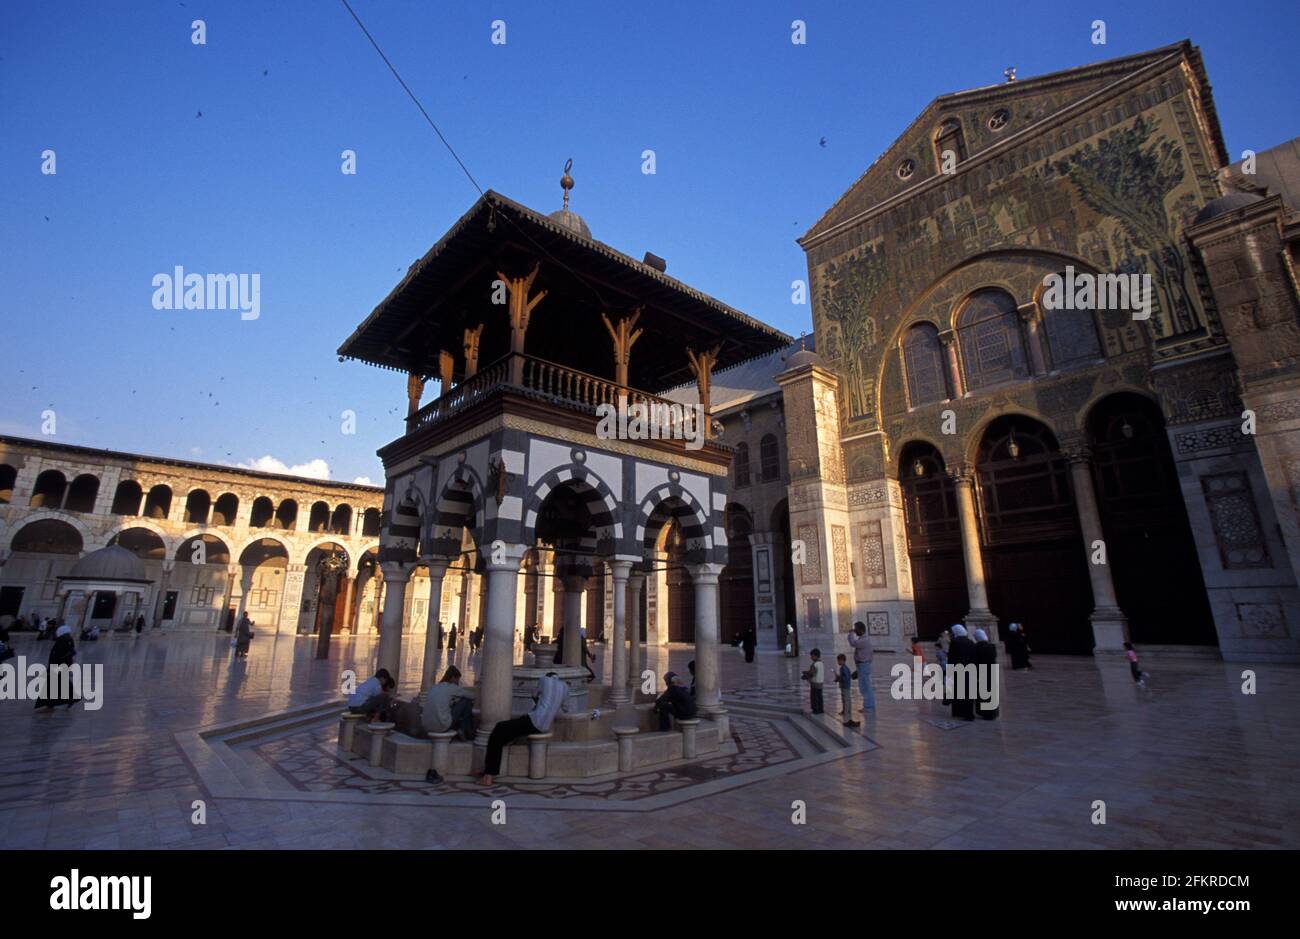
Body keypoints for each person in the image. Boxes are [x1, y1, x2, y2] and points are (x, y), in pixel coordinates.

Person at [477, 673, 570, 786]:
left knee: (499, 728)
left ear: (548, 676)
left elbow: (534, 694)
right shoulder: (564, 687)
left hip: (534, 721)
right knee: (518, 723)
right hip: (543, 726)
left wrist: (540, 700)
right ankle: (490, 767)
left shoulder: (544, 680)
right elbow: (565, 708)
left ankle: (488, 775)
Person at [34, 625, 79, 711]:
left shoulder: (63, 640)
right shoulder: (68, 640)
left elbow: (59, 655)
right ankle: (68, 699)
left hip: (58, 666)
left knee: (54, 684)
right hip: (62, 666)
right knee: (60, 683)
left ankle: (51, 703)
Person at [947, 624, 977, 721]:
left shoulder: (955, 642)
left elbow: (951, 658)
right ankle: (969, 713)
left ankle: (960, 712)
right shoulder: (970, 642)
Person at [847, 620, 876, 713]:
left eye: (856, 629)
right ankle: (869, 705)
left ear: (861, 630)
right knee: (864, 686)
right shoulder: (863, 639)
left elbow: (853, 643)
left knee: (865, 687)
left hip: (864, 665)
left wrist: (851, 633)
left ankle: (869, 707)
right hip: (863, 665)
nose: (855, 631)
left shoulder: (864, 640)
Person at [973, 628, 999, 720]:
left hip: (980, 672)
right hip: (991, 672)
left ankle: (984, 712)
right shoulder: (991, 646)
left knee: (982, 693)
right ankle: (993, 713)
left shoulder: (976, 647)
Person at [834, 653, 859, 727]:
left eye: (839, 661)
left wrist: (839, 678)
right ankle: (846, 711)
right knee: (846, 699)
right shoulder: (843, 668)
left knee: (846, 699)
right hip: (844, 686)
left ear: (842, 661)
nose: (838, 662)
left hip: (845, 686)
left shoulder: (844, 668)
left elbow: (847, 678)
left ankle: (846, 711)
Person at [802, 648, 825, 714]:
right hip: (820, 683)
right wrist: (807, 672)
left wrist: (806, 676)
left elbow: (812, 673)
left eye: (812, 656)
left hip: (815, 684)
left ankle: (815, 710)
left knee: (814, 697)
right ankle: (821, 710)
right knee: (820, 697)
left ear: (815, 656)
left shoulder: (814, 664)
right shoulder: (821, 663)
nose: (811, 657)